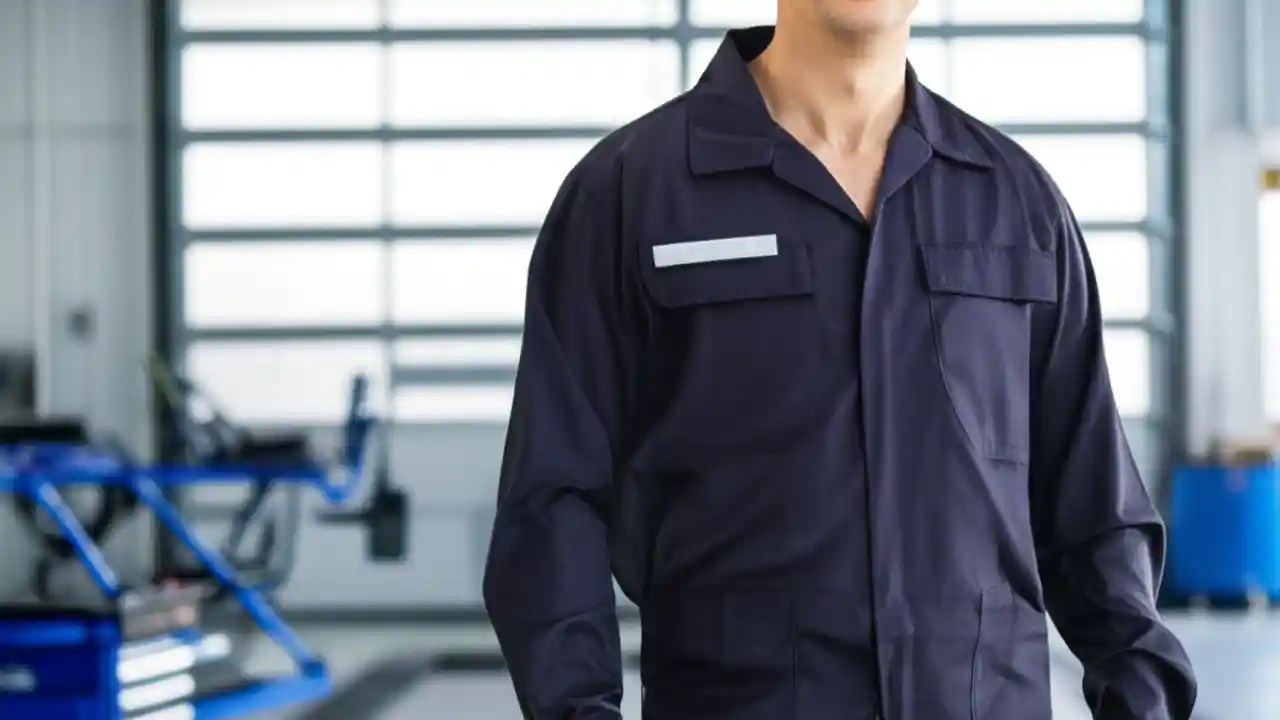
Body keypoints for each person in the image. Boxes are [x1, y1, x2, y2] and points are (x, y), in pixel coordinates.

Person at [483, 1, 1198, 718]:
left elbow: (1094, 509)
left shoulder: (1015, 203)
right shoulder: (631, 195)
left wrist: (1144, 698)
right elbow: (553, 504)